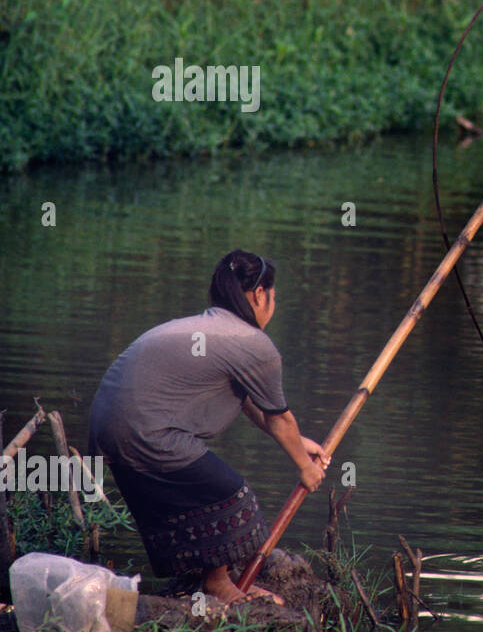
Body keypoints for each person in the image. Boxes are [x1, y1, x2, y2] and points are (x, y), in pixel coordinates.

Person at [88, 249, 329, 604]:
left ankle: (201, 581)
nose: (272, 304)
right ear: (259, 294)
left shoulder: (206, 328)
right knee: (234, 497)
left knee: (189, 501)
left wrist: (299, 442)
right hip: (145, 431)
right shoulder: (253, 343)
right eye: (273, 296)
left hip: (107, 429)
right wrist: (305, 468)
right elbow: (280, 417)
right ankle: (217, 582)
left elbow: (254, 404)